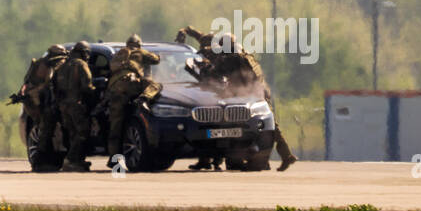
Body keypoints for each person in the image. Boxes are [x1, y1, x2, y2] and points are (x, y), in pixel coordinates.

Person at [178, 25, 297, 171]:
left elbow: (215, 72)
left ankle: (272, 158)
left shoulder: (233, 59)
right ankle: (283, 156)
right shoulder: (245, 55)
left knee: (266, 128)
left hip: (253, 95)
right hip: (259, 92)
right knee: (270, 127)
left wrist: (202, 65)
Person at [104, 34, 160, 166]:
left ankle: (114, 159)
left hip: (114, 90)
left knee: (115, 126)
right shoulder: (139, 52)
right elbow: (156, 59)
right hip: (131, 84)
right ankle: (144, 98)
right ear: (139, 44)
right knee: (155, 85)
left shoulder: (119, 54)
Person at [16, 44, 67, 165]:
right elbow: (48, 82)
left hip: (35, 101)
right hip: (38, 103)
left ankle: (43, 159)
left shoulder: (40, 63)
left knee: (43, 130)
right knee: (44, 130)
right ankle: (40, 161)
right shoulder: (49, 65)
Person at [53, 41, 95, 172]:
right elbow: (87, 86)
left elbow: (55, 85)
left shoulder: (62, 66)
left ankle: (77, 161)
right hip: (76, 105)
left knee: (72, 133)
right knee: (83, 132)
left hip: (63, 105)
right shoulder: (81, 65)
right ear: (83, 52)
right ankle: (70, 160)